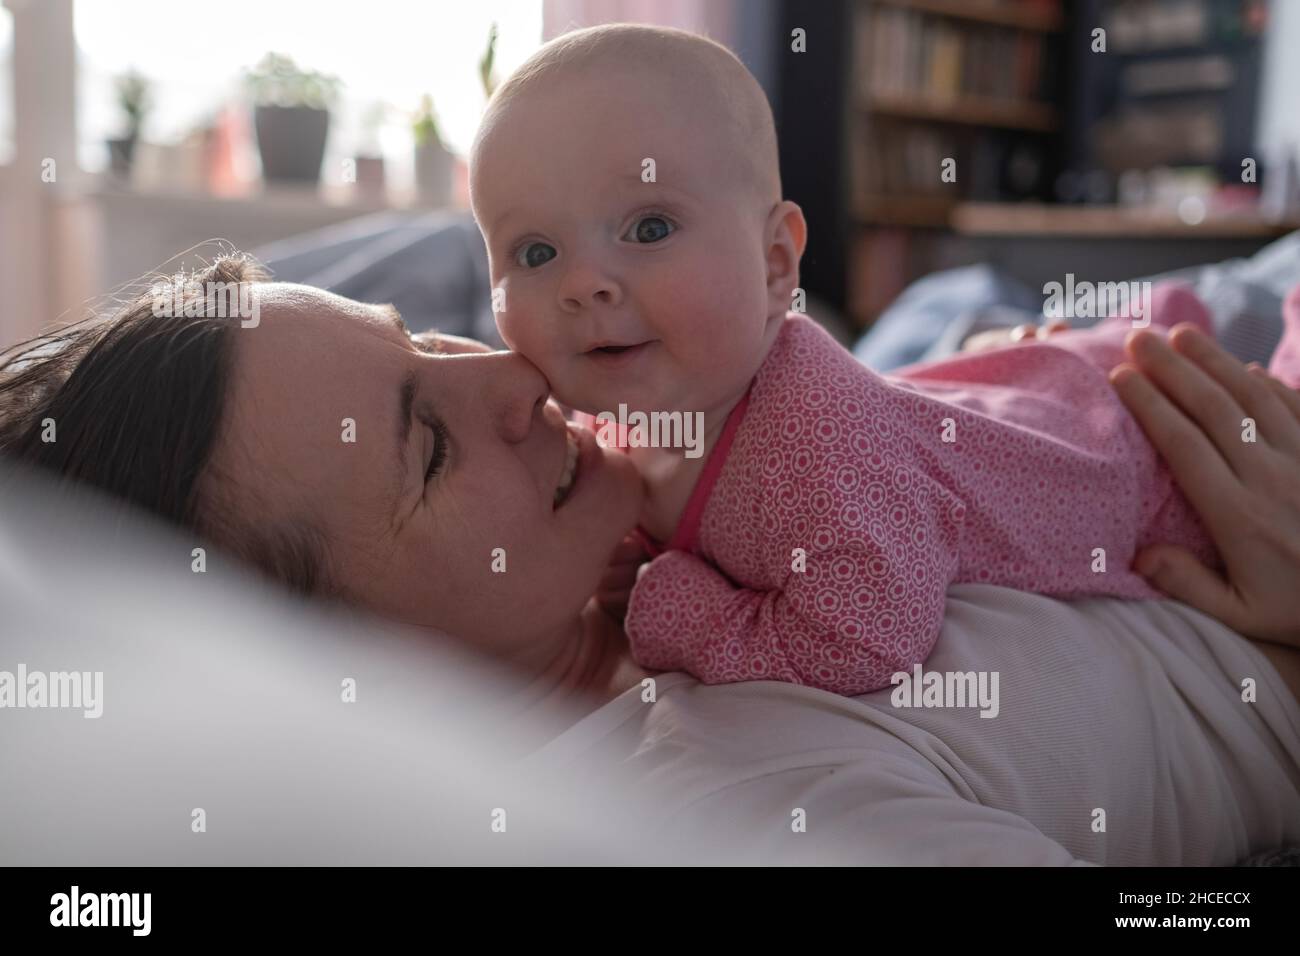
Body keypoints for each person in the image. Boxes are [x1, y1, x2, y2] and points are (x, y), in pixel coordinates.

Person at [1, 257, 1296, 864]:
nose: (511, 373)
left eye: (422, 339)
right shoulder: (732, 794)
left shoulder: (636, 522)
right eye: (428, 455)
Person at [468, 24, 1300, 696]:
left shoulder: (811, 444)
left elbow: (870, 633)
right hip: (1014, 383)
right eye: (534, 251)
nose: (583, 285)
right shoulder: (608, 417)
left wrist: (685, 615)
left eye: (649, 228)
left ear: (773, 266)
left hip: (1148, 460)